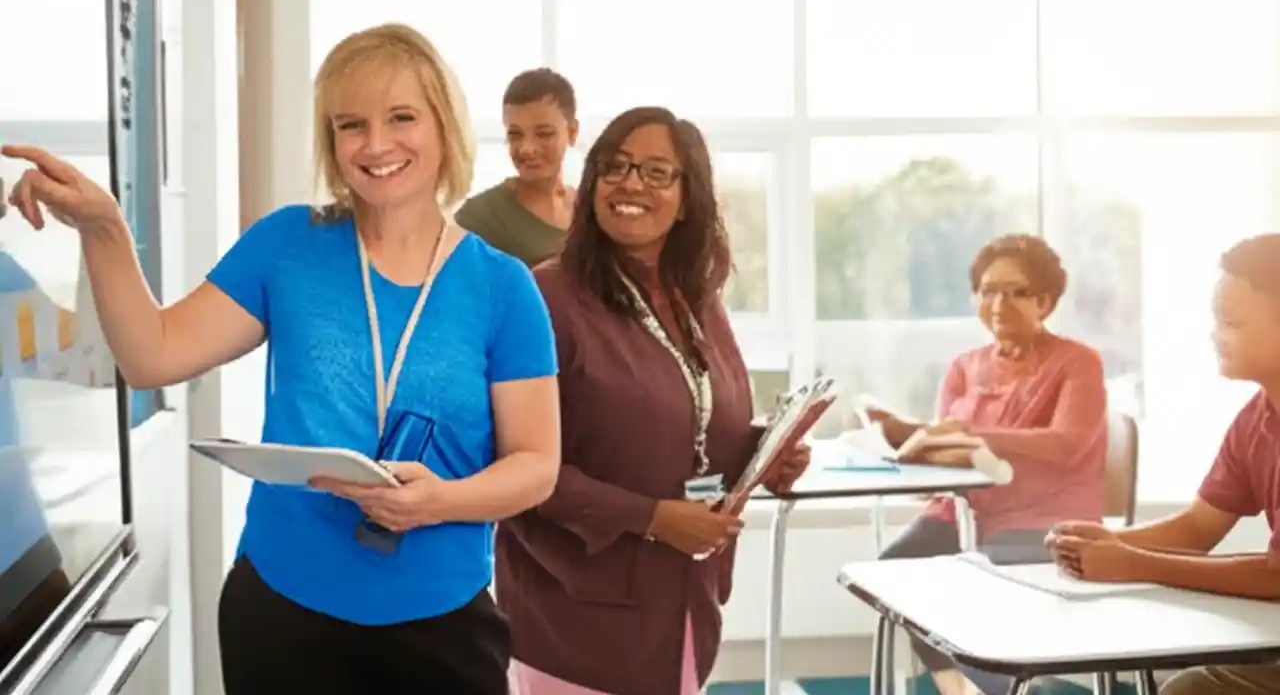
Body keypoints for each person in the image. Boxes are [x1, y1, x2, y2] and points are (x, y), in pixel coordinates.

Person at [2, 22, 560, 695]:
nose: (376, 145)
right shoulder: (287, 245)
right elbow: (152, 355)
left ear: (444, 124)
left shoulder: (503, 286)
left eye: (401, 117)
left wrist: (439, 502)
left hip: (441, 626)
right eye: (351, 124)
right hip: (284, 613)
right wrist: (104, 228)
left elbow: (536, 466)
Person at [493, 106, 811, 695]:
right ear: (592, 186)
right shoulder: (546, 297)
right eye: (616, 167)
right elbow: (514, 465)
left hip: (684, 603)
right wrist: (652, 519)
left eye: (657, 171)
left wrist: (764, 455)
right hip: (576, 619)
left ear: (688, 197)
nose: (632, 183)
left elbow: (691, 425)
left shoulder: (697, 299)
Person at [868, 234, 1108, 695]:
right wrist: (907, 439)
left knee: (966, 586)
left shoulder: (1078, 363)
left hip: (1046, 519)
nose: (999, 302)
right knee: (894, 576)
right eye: (988, 290)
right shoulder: (964, 365)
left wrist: (967, 435)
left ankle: (1013, 688)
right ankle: (966, 688)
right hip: (963, 510)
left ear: (1046, 300)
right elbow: (946, 446)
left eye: (1016, 291)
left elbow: (1066, 445)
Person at [1049, 233, 1280, 695]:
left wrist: (1133, 562)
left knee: (1186, 691)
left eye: (1231, 322)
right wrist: (1107, 543)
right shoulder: (1258, 415)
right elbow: (1199, 526)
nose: (1216, 336)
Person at [455, 67, 578, 266]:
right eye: (515, 135)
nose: (527, 149)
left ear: (572, 133)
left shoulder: (592, 209)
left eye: (544, 134)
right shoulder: (481, 218)